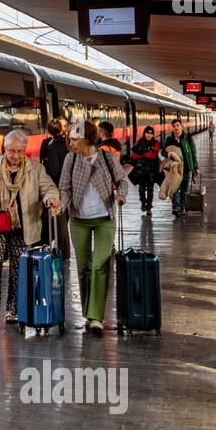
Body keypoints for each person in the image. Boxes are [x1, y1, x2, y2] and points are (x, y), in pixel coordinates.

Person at [0, 128, 62, 326]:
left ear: (25, 150)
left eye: (19, 151)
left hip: (24, 227)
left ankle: (15, 310)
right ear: (4, 150)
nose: (15, 156)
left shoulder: (35, 169)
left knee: (20, 270)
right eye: (11, 151)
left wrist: (52, 198)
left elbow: (48, 187)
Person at [59, 118, 129, 335]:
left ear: (87, 139)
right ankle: (88, 313)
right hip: (79, 221)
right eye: (69, 139)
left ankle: (96, 316)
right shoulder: (70, 160)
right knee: (84, 268)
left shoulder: (107, 157)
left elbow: (123, 180)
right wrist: (61, 203)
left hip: (104, 220)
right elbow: (64, 188)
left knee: (100, 265)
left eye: (74, 139)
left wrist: (121, 196)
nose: (70, 143)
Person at [39, 117, 72, 269]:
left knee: (57, 219)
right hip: (68, 186)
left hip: (55, 185)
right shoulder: (68, 144)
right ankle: (64, 253)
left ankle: (55, 251)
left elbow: (53, 169)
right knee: (62, 218)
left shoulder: (49, 145)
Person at [162, 117, 199, 217]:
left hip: (186, 168)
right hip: (175, 169)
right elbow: (163, 152)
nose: (176, 128)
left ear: (181, 126)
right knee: (175, 188)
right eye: (173, 126)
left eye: (177, 125)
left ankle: (182, 207)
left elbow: (193, 153)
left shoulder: (188, 138)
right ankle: (176, 208)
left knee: (184, 189)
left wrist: (195, 167)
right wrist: (169, 153)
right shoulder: (169, 139)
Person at [130, 125, 161, 213]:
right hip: (141, 170)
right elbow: (134, 156)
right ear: (144, 133)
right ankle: (143, 203)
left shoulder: (156, 142)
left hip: (152, 170)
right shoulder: (138, 142)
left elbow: (154, 155)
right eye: (147, 133)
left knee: (150, 189)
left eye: (151, 133)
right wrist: (147, 151)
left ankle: (149, 207)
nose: (149, 135)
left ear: (153, 135)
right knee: (141, 189)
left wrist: (143, 153)